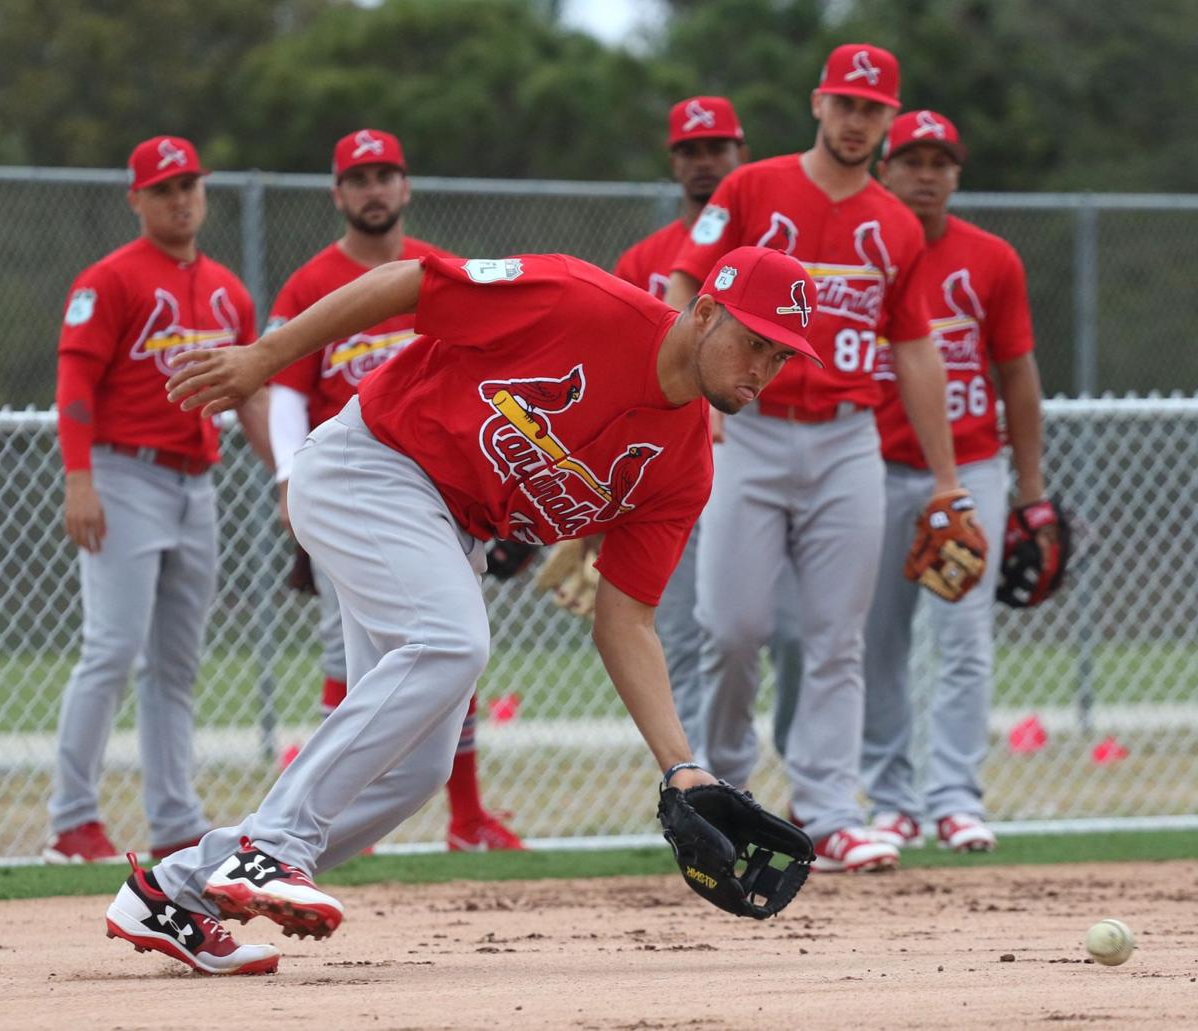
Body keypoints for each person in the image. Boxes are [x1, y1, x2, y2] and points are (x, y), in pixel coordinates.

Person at [103, 243, 823, 975]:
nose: (762, 371)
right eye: (754, 343)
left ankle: (174, 892)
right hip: (371, 461)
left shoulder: (684, 467)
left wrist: (681, 767)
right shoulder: (580, 300)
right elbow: (408, 281)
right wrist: (267, 356)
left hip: (446, 532)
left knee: (415, 770)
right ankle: (272, 850)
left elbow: (625, 620)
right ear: (704, 312)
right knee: (451, 640)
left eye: (781, 357)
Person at [665, 44, 971, 873]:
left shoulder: (898, 223)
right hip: (750, 429)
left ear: (888, 117)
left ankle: (831, 807)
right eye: (845, 103)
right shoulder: (750, 187)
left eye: (873, 108)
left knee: (838, 636)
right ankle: (715, 793)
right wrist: (690, 403)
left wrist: (946, 479)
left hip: (847, 438)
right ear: (818, 104)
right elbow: (682, 285)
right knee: (732, 628)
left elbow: (914, 352)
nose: (856, 120)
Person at [267, 128, 522, 852]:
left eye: (386, 175)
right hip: (354, 488)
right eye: (360, 177)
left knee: (451, 649)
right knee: (354, 661)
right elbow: (286, 390)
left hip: (440, 492)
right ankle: (333, 815)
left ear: (405, 187)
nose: (374, 188)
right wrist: (288, 476)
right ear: (338, 194)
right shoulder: (311, 282)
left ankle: (465, 817)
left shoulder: (441, 271)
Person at [48, 136, 271, 864]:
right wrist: (79, 478)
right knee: (111, 649)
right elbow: (75, 382)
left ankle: (175, 818)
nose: (182, 199)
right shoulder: (110, 279)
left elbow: (252, 395)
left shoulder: (228, 291)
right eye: (165, 188)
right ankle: (73, 818)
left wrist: (286, 478)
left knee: (176, 662)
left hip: (195, 482)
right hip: (123, 473)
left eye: (191, 186)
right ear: (137, 198)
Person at [859, 110, 1044, 853]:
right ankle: (893, 799)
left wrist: (1031, 490)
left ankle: (956, 797)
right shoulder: (863, 250)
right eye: (912, 161)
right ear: (883, 169)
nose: (927, 176)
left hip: (968, 467)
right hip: (868, 465)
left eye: (941, 163)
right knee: (876, 640)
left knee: (963, 636)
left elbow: (1018, 375)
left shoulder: (991, 259)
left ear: (957, 175)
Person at [613, 96, 804, 754]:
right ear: (674, 163)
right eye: (691, 151)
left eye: (717, 149)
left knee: (789, 630)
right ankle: (699, 785)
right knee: (685, 634)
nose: (704, 162)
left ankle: (790, 771)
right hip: (667, 468)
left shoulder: (768, 258)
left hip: (749, 456)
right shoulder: (645, 261)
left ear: (739, 155)